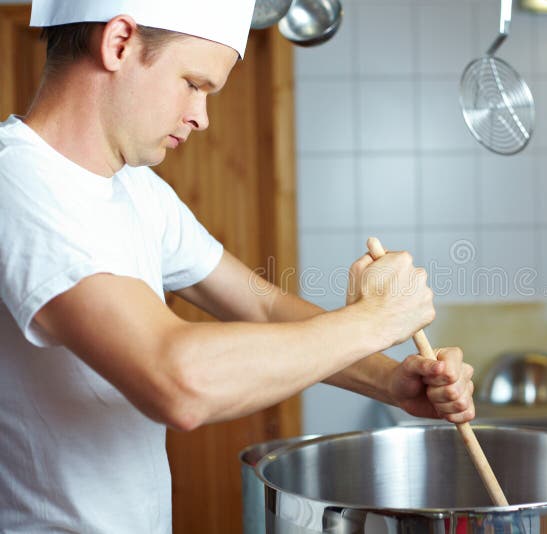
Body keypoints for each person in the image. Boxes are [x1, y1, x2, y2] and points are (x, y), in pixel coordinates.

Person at [0, 1, 476, 531]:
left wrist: (390, 380)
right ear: (119, 43)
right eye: (194, 83)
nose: (202, 116)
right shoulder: (17, 185)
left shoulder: (136, 190)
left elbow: (259, 304)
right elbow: (176, 380)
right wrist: (374, 320)